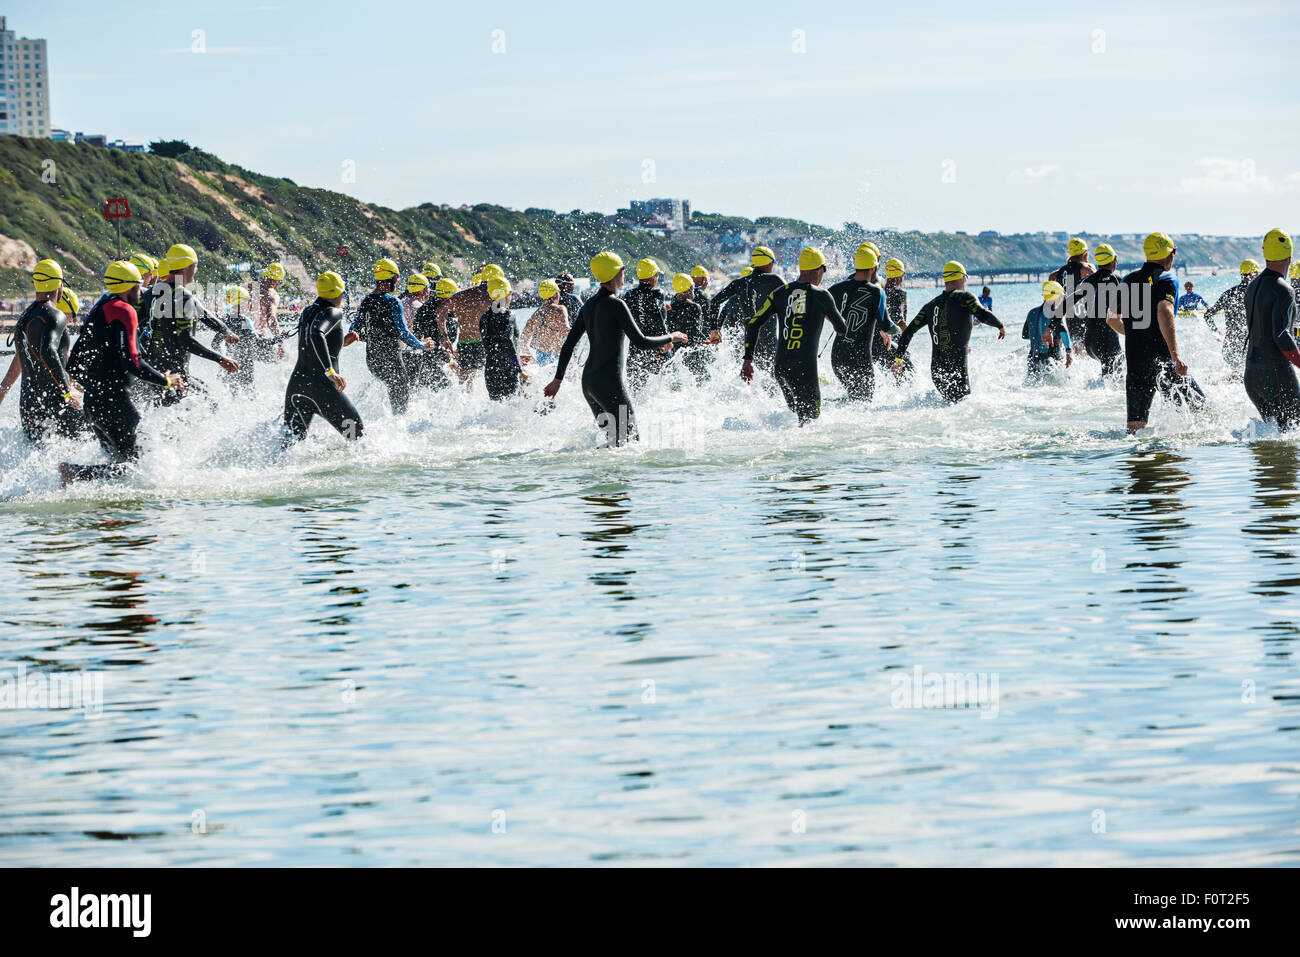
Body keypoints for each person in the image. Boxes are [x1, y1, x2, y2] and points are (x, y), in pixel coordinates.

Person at [543, 252, 685, 446]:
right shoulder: (616, 304)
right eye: (622, 269)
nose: (624, 272)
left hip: (589, 384)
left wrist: (557, 379)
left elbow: (569, 344)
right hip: (608, 383)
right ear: (617, 273)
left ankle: (601, 476)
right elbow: (641, 341)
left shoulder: (589, 306)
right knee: (631, 440)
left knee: (613, 441)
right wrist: (671, 337)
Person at [60, 261, 184, 484]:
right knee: (136, 469)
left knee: (118, 469)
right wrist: (165, 380)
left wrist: (97, 389)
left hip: (93, 405)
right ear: (128, 287)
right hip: (117, 405)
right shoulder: (125, 310)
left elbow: (74, 364)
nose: (141, 291)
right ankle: (75, 473)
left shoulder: (98, 309)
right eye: (138, 286)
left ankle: (108, 516)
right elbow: (133, 361)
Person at [741, 247, 848, 424]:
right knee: (811, 420)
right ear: (817, 269)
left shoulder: (780, 293)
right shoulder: (822, 295)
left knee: (796, 417)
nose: (823, 274)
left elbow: (753, 323)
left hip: (780, 367)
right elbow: (842, 328)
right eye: (824, 269)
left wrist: (748, 360)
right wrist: (827, 312)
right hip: (805, 368)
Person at [1113, 232, 1207, 433]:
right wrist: (1175, 356)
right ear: (1170, 254)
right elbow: (1164, 310)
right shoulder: (1166, 278)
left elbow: (1111, 318)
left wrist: (1135, 335)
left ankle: (1141, 464)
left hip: (1135, 361)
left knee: (1135, 430)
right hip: (1163, 361)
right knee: (1204, 412)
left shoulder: (1127, 280)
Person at [892, 260, 1006, 403]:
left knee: (949, 405)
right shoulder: (965, 297)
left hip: (936, 371)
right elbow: (982, 314)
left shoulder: (930, 305)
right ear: (960, 277)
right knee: (962, 407)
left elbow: (908, 332)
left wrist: (898, 359)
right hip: (957, 368)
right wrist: (1000, 325)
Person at [143, 243, 240, 405]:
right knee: (210, 404)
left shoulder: (152, 293)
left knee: (167, 415)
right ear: (189, 266)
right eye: (196, 266)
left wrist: (224, 330)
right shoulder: (182, 296)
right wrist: (220, 359)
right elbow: (185, 340)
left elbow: (202, 312)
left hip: (153, 370)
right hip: (174, 374)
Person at [342, 257, 435, 414]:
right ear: (392, 277)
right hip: (391, 360)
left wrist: (352, 337)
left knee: (393, 391)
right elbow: (403, 332)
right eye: (397, 278)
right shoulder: (392, 302)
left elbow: (355, 329)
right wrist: (422, 345)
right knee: (401, 397)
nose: (397, 282)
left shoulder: (366, 301)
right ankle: (397, 432)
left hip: (372, 361)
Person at [284, 271, 363, 444]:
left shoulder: (307, 311)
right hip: (322, 388)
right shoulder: (333, 312)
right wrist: (330, 372)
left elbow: (314, 344)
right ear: (338, 293)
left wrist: (342, 341)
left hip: (297, 386)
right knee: (356, 436)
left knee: (289, 447)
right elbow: (316, 333)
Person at [11, 259, 83, 440]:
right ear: (59, 283)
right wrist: (67, 391)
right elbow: (48, 352)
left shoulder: (24, 317)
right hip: (54, 402)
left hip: (28, 404)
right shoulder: (54, 315)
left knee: (37, 457)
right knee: (87, 440)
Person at [1243, 229, 1300, 430]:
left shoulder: (1252, 286)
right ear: (1290, 256)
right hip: (1275, 373)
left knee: (1274, 433)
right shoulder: (1284, 289)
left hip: (1251, 375)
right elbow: (1281, 334)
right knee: (1293, 429)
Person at [828, 244, 899, 402]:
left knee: (852, 400)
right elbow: (887, 326)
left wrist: (837, 322)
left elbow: (820, 309)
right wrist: (898, 331)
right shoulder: (876, 291)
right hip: (859, 357)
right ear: (874, 267)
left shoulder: (838, 288)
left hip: (837, 355)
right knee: (863, 404)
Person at [710, 246, 784, 359]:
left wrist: (714, 329)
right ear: (769, 262)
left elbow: (715, 302)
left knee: (753, 373)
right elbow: (792, 299)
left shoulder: (739, 283)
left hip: (750, 343)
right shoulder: (774, 280)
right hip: (770, 341)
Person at [434, 263, 501, 387]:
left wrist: (445, 337)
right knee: (490, 380)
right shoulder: (493, 297)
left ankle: (461, 405)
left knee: (465, 382)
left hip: (465, 343)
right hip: (484, 342)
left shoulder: (463, 295)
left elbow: (440, 311)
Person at [214, 286, 289, 395]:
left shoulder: (225, 320)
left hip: (230, 366)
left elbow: (215, 344)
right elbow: (260, 343)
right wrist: (280, 337)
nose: (250, 304)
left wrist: (223, 359)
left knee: (232, 399)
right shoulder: (245, 321)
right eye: (248, 301)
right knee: (249, 398)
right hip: (245, 367)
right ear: (242, 302)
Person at [1070, 242, 1124, 376]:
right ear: (1114, 260)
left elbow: (1066, 304)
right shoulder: (1117, 280)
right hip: (1108, 339)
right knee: (1116, 374)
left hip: (1089, 342)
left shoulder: (1087, 281)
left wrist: (1051, 326)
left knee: (1106, 373)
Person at [622, 258, 672, 390]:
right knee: (667, 385)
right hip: (656, 345)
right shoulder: (657, 293)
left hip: (635, 347)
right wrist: (667, 339)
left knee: (635, 388)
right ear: (653, 277)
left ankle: (629, 411)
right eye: (657, 275)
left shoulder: (629, 294)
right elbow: (656, 317)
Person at [1204, 260, 1259, 372]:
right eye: (1258, 275)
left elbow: (1207, 315)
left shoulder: (1229, 293)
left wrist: (1215, 332)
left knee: (1236, 379)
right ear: (1253, 275)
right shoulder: (1256, 293)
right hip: (1248, 347)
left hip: (1229, 347)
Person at [482, 276, 529, 401]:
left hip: (491, 370)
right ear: (506, 294)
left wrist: (517, 357)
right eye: (510, 293)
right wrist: (519, 369)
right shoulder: (508, 315)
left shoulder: (484, 317)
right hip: (508, 370)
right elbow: (507, 343)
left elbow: (492, 345)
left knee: (496, 411)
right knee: (514, 408)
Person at [411, 276, 458, 391]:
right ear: (447, 298)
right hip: (429, 363)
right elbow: (433, 347)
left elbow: (417, 338)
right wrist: (451, 361)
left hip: (416, 362)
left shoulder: (423, 309)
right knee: (447, 391)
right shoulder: (446, 317)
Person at [666, 273, 712, 384]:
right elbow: (695, 331)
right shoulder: (695, 307)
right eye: (691, 289)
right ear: (686, 292)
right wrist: (707, 341)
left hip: (676, 351)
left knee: (678, 382)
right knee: (704, 380)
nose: (693, 291)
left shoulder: (672, 305)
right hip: (691, 350)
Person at [1049, 237, 1096, 348]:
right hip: (1082, 314)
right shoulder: (1087, 269)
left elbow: (1051, 287)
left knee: (1073, 347)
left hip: (1066, 317)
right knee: (1084, 349)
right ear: (1085, 254)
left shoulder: (1058, 272)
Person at [1023, 281, 1073, 381]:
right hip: (1052, 358)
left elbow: (1025, 335)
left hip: (1033, 357)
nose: (1063, 299)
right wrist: (1068, 351)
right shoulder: (1057, 313)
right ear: (1057, 296)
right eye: (1062, 296)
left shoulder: (1032, 312)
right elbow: (1062, 330)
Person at [521, 279, 570, 367]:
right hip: (559, 355)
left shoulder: (536, 315)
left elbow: (522, 341)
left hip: (541, 358)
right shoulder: (560, 310)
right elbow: (566, 331)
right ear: (555, 294)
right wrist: (585, 330)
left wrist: (533, 362)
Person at [879, 257, 914, 378]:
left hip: (880, 342)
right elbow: (900, 321)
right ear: (901, 275)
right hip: (894, 343)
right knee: (909, 376)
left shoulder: (880, 290)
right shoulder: (900, 293)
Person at [257, 261, 286, 340]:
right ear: (277, 280)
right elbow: (271, 318)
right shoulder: (271, 294)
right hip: (256, 337)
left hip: (236, 335)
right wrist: (280, 342)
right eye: (281, 281)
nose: (280, 284)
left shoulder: (249, 286)